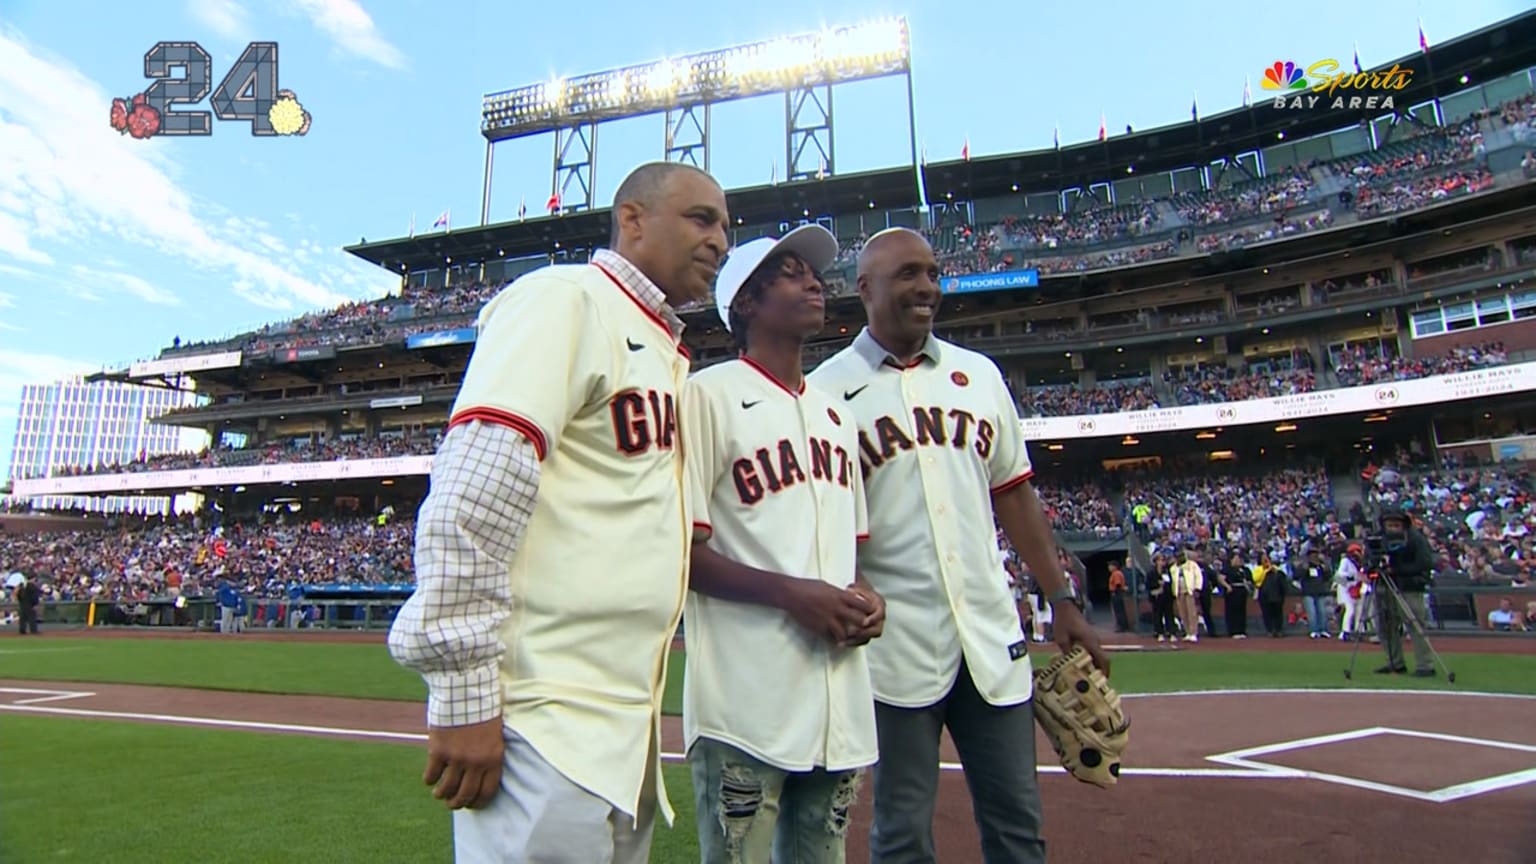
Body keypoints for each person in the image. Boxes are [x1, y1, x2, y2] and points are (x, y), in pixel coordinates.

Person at [386, 161, 728, 863]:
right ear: (632, 219)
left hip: (620, 727)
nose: (720, 240)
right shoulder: (562, 299)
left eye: (725, 225)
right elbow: (477, 488)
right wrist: (464, 694)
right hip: (540, 717)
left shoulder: (659, 342)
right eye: (701, 219)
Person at [807, 227, 1107, 864]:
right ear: (865, 288)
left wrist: (1063, 599)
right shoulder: (825, 393)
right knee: (902, 832)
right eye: (908, 275)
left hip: (990, 637)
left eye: (933, 273)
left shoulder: (980, 375)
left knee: (1018, 826)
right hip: (893, 647)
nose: (927, 288)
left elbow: (1015, 496)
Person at [681, 225, 883, 864]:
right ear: (745, 303)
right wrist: (791, 595)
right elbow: (677, 552)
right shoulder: (704, 397)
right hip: (745, 705)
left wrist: (867, 600)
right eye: (791, 272)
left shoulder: (835, 415)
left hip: (837, 705)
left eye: (813, 272)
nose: (814, 281)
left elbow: (850, 559)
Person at [1375, 507, 1437, 677]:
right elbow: (1372, 559)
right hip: (1385, 586)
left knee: (1415, 625)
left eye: (1396, 525)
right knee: (1386, 626)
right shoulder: (1379, 539)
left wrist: (1397, 569)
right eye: (1389, 525)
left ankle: (1425, 665)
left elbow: (1424, 564)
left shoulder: (1416, 539)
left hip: (1410, 586)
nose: (1393, 529)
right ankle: (1394, 662)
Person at [1298, 547, 1333, 639]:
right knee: (1312, 613)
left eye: (1316, 554)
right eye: (1312, 555)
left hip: (1320, 592)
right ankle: (1314, 630)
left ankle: (1323, 630)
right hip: (1308, 592)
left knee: (1322, 612)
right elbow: (1297, 575)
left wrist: (1325, 568)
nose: (1314, 556)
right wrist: (1304, 569)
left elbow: (1328, 577)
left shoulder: (1321, 566)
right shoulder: (1305, 566)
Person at [1333, 543, 1366, 641]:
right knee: (1350, 610)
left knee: (1359, 611)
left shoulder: (1360, 563)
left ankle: (1359, 631)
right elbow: (1339, 575)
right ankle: (1345, 632)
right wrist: (1353, 576)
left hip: (1356, 588)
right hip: (1345, 589)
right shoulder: (1345, 561)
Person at [1170, 549, 1204, 643]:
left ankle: (1193, 633)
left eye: (1181, 556)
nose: (1180, 558)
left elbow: (1198, 576)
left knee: (1191, 612)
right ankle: (1188, 632)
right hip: (1179, 591)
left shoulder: (1192, 565)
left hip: (1189, 590)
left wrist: (1197, 588)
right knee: (1183, 613)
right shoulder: (1173, 568)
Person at [1217, 551, 1252, 639]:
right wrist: (1227, 586)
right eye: (1236, 559)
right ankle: (1233, 630)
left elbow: (1249, 580)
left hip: (1242, 591)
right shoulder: (1227, 569)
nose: (1238, 560)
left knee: (1241, 611)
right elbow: (1221, 579)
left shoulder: (1244, 570)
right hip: (1232, 591)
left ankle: (1241, 630)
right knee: (1232, 611)